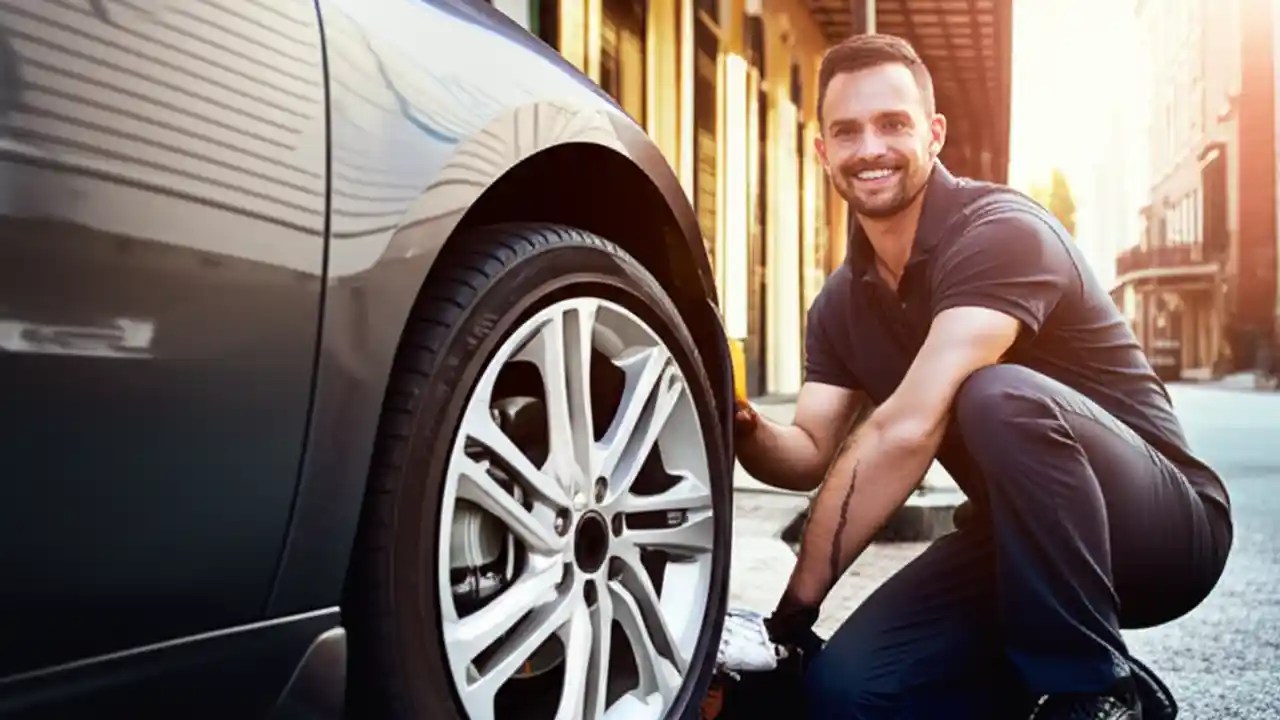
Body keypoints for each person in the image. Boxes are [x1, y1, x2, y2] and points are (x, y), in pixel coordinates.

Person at [733, 33, 1233, 720]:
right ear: (823, 152)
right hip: (1016, 541)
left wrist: (791, 615)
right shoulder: (841, 304)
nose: (870, 148)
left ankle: (1092, 691)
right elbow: (807, 453)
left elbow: (906, 429)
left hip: (1161, 532)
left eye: (893, 124)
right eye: (846, 131)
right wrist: (739, 420)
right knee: (846, 695)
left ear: (934, 134)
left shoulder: (1000, 231)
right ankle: (1034, 682)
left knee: (994, 395)